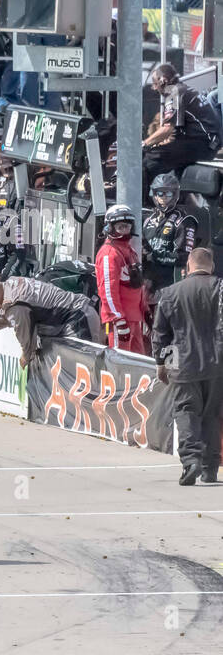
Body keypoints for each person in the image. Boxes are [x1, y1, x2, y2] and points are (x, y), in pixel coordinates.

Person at [152, 248, 223, 485]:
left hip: (182, 364)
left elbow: (160, 333)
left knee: (186, 412)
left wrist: (160, 363)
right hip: (217, 365)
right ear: (211, 266)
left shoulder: (171, 292)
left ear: (188, 267)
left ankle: (191, 460)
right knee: (212, 415)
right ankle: (210, 468)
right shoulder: (220, 288)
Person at [0, 277, 102, 367]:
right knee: (74, 367)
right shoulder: (12, 283)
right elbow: (5, 313)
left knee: (84, 366)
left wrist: (25, 356)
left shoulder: (15, 304)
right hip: (78, 314)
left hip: (78, 318)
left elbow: (25, 335)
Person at [144, 63, 222, 198]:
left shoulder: (174, 92)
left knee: (150, 159)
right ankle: (176, 200)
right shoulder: (183, 89)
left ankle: (141, 203)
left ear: (163, 81)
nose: (154, 87)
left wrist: (145, 144)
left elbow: (167, 129)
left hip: (201, 145)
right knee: (166, 155)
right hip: (206, 143)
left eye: (155, 83)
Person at [95, 204, 149, 355]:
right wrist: (118, 319)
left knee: (139, 361)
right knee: (120, 361)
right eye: (121, 226)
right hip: (120, 320)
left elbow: (138, 285)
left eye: (128, 226)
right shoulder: (109, 253)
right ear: (109, 228)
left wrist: (145, 310)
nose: (125, 230)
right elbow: (107, 290)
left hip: (134, 317)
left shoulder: (129, 251)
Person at [143, 173, 198, 300]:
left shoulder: (184, 221)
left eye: (168, 194)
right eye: (159, 193)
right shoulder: (148, 220)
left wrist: (153, 256)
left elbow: (184, 257)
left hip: (170, 288)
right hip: (147, 286)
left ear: (175, 195)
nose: (163, 198)